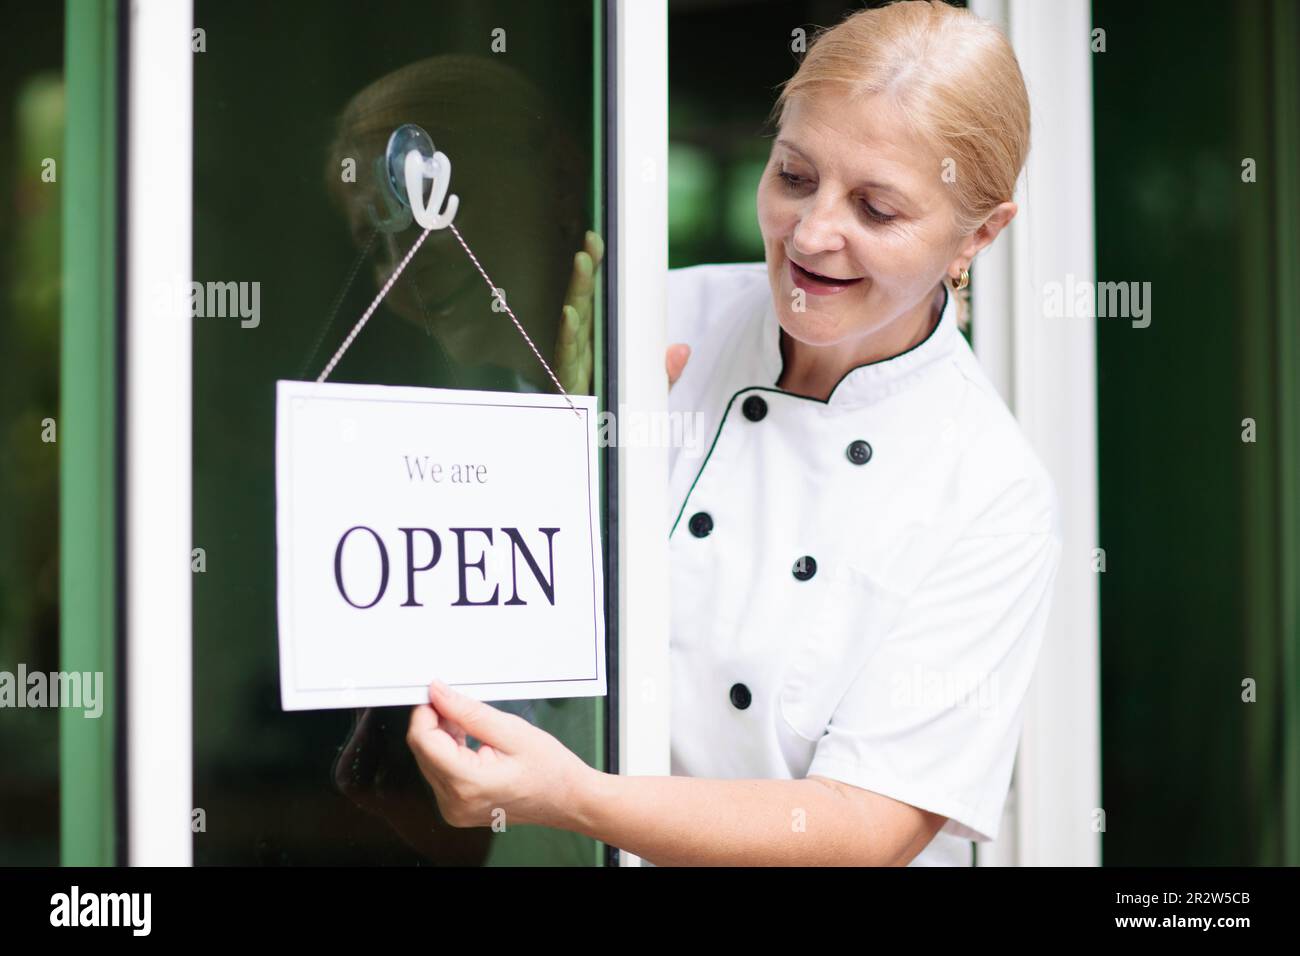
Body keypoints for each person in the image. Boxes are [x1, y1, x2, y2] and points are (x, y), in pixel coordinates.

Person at [406, 0, 1063, 866]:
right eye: (794, 176)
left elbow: (864, 828)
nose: (813, 233)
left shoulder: (989, 490)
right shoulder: (651, 317)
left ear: (976, 235)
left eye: (876, 208)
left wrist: (574, 797)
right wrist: (558, 444)